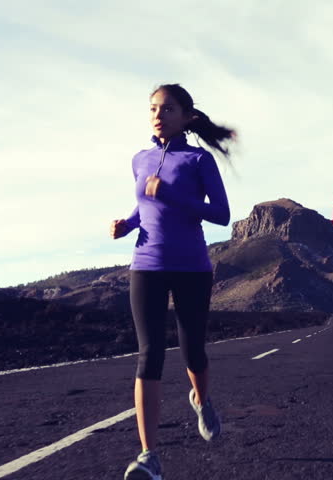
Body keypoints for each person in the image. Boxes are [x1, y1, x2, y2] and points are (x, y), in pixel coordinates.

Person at [111, 83, 234, 480]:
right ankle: (149, 455)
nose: (157, 115)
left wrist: (172, 195)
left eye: (166, 109)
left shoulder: (199, 160)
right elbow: (143, 204)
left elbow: (222, 215)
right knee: (150, 354)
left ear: (186, 116)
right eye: (152, 109)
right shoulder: (139, 159)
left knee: (192, 351)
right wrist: (127, 224)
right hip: (146, 263)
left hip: (192, 267)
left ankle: (202, 398)